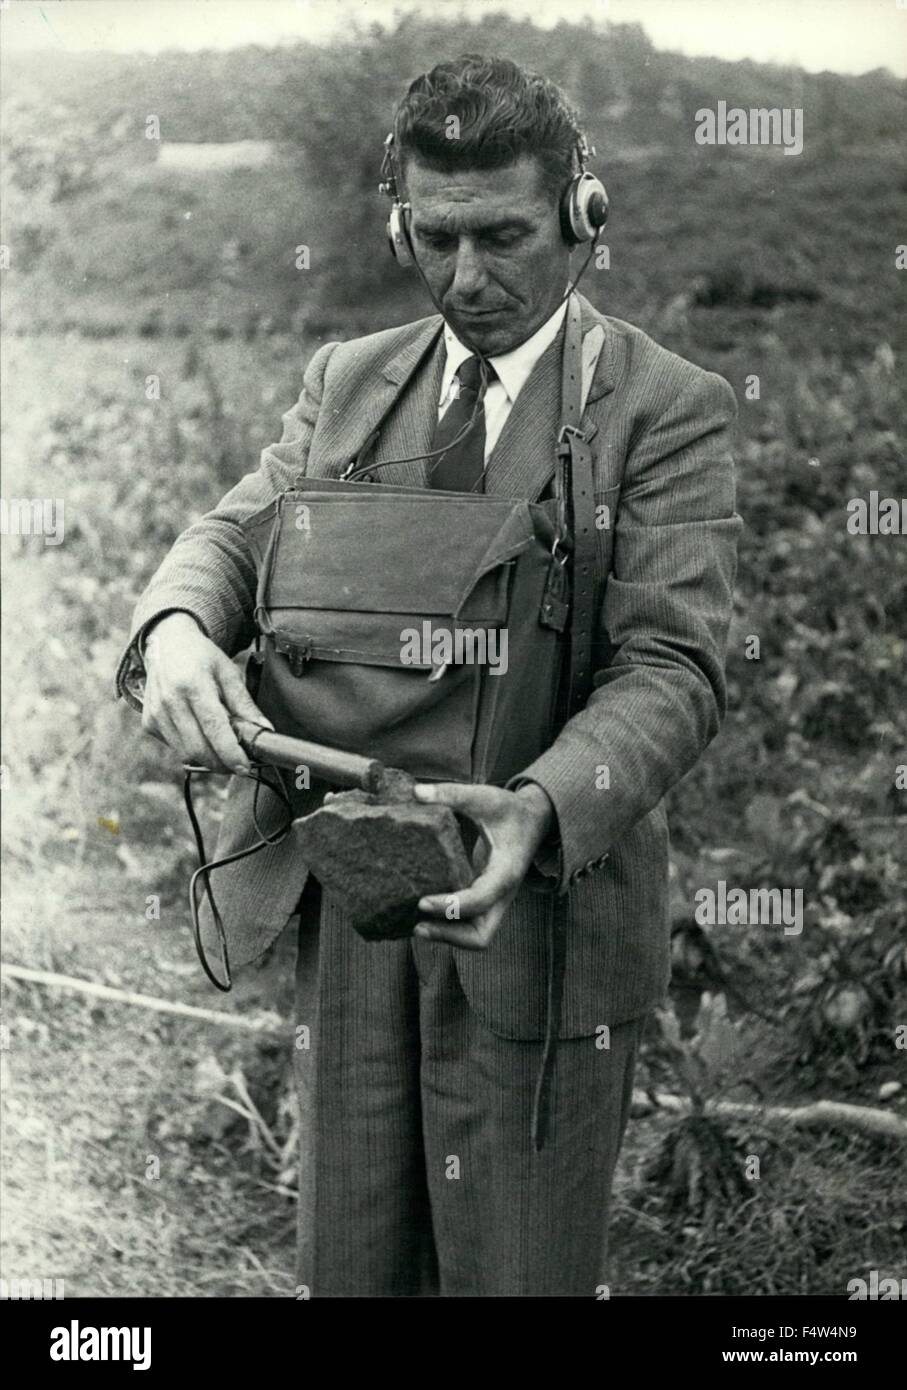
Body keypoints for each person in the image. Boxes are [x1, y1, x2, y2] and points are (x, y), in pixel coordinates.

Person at [116, 54, 741, 1296]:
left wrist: (541, 806)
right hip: (354, 902)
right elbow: (236, 537)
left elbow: (673, 664)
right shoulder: (349, 382)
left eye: (504, 235)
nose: (468, 279)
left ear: (582, 214)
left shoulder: (662, 411)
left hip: (539, 916)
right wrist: (179, 627)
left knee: (514, 1268)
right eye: (436, 237)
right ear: (401, 220)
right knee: (352, 1258)